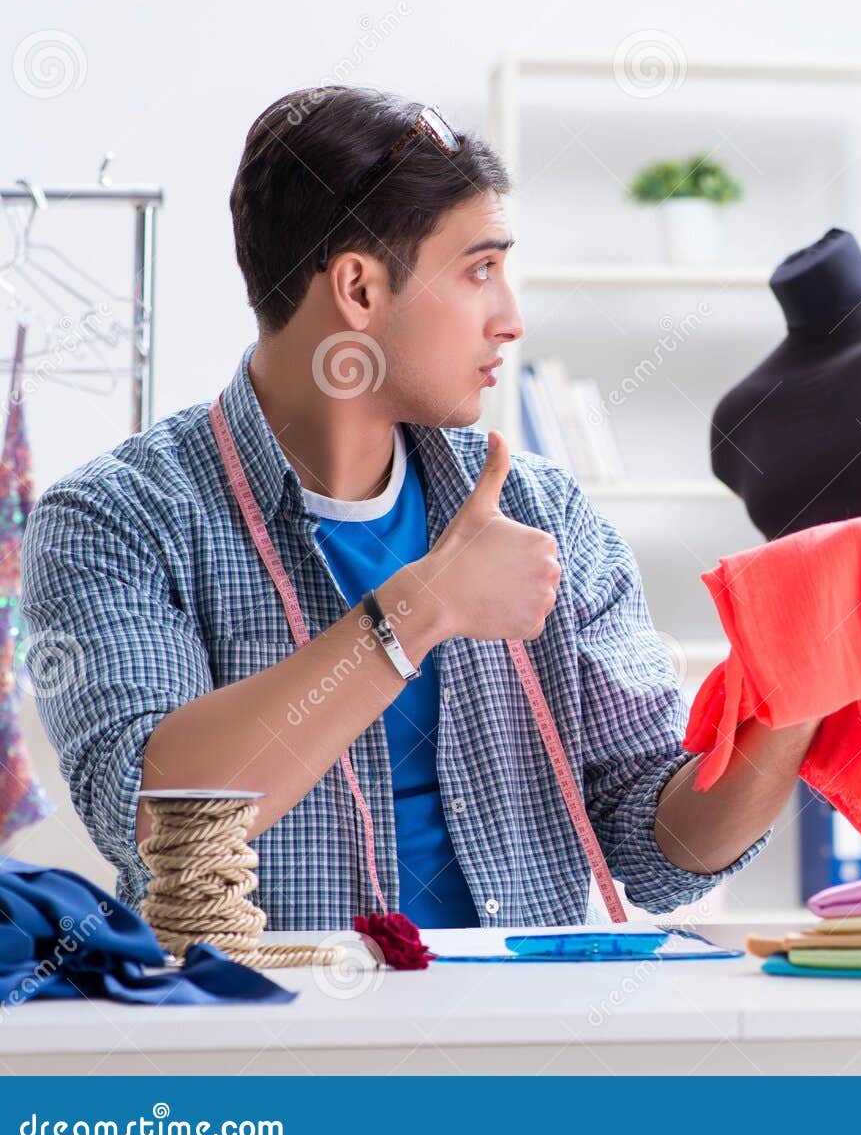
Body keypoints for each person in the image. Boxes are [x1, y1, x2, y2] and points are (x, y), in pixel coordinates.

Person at [20, 86, 817, 929]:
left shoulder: (549, 513)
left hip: (520, 1047)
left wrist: (798, 698)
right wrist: (422, 608)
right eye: (480, 269)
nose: (510, 318)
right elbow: (152, 815)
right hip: (262, 1046)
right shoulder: (113, 519)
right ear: (359, 291)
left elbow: (658, 852)